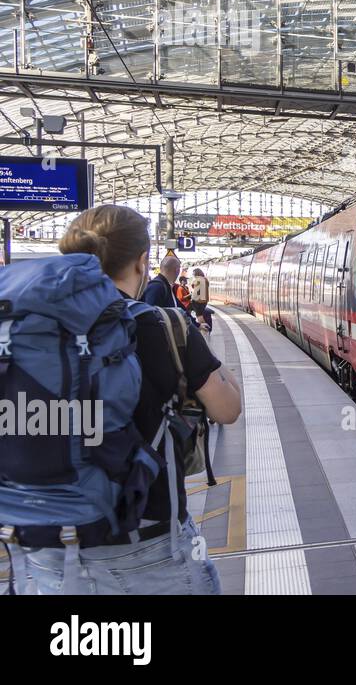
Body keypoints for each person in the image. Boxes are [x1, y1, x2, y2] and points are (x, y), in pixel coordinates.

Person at [3, 205, 241, 595]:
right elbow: (227, 409)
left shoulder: (17, 330)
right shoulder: (161, 324)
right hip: (146, 543)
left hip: (40, 547)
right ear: (143, 261)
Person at [189, 267, 213, 333]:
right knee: (200, 314)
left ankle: (205, 329)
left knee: (199, 315)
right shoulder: (205, 279)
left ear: (197, 273)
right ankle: (206, 329)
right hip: (204, 300)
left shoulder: (198, 279)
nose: (193, 275)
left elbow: (193, 286)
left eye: (194, 274)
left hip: (198, 300)